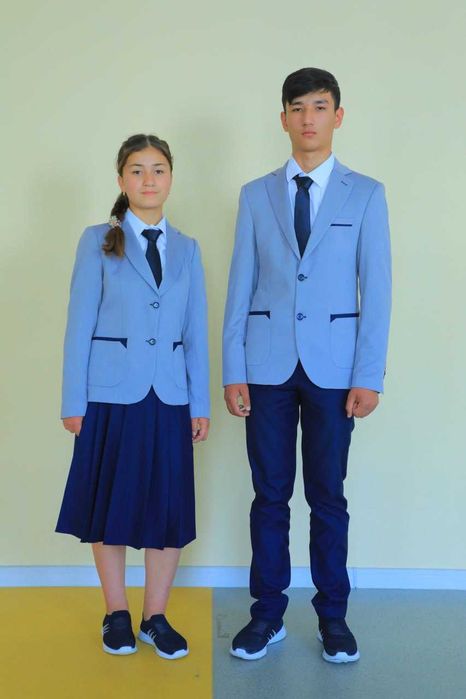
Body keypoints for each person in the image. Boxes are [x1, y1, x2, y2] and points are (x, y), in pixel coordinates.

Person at [223, 68, 391, 663]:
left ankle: (333, 619)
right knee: (269, 496)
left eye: (320, 107)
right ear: (283, 119)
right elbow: (240, 285)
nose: (309, 118)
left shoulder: (365, 193)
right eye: (298, 108)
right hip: (266, 366)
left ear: (337, 116)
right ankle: (266, 615)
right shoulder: (255, 195)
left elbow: (377, 289)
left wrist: (368, 374)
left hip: (335, 370)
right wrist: (232, 367)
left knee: (327, 497)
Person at [56, 133, 210, 660]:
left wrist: (199, 403)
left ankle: (155, 617)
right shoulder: (98, 240)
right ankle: (117, 613)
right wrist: (73, 401)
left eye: (158, 169)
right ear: (122, 180)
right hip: (110, 395)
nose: (149, 179)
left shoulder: (188, 249)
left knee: (167, 509)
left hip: (170, 395)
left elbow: (195, 331)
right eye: (138, 170)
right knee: (111, 505)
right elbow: (79, 324)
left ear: (171, 178)